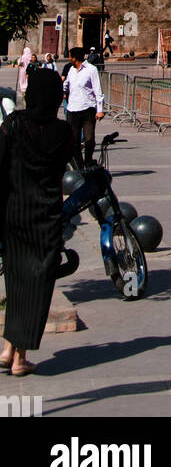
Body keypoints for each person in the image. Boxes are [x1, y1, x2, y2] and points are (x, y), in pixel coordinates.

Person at [0, 69, 75, 375]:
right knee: (38, 288)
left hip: (14, 214)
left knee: (17, 284)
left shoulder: (14, 125)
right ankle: (17, 355)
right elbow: (63, 169)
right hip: (46, 218)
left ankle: (9, 350)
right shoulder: (63, 132)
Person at [63, 47, 105, 165]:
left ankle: (88, 160)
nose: (69, 59)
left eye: (70, 56)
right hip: (73, 109)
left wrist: (100, 110)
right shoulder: (71, 70)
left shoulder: (91, 70)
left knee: (89, 139)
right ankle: (79, 165)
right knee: (74, 140)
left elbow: (98, 90)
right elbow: (66, 85)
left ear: (75, 58)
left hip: (88, 109)